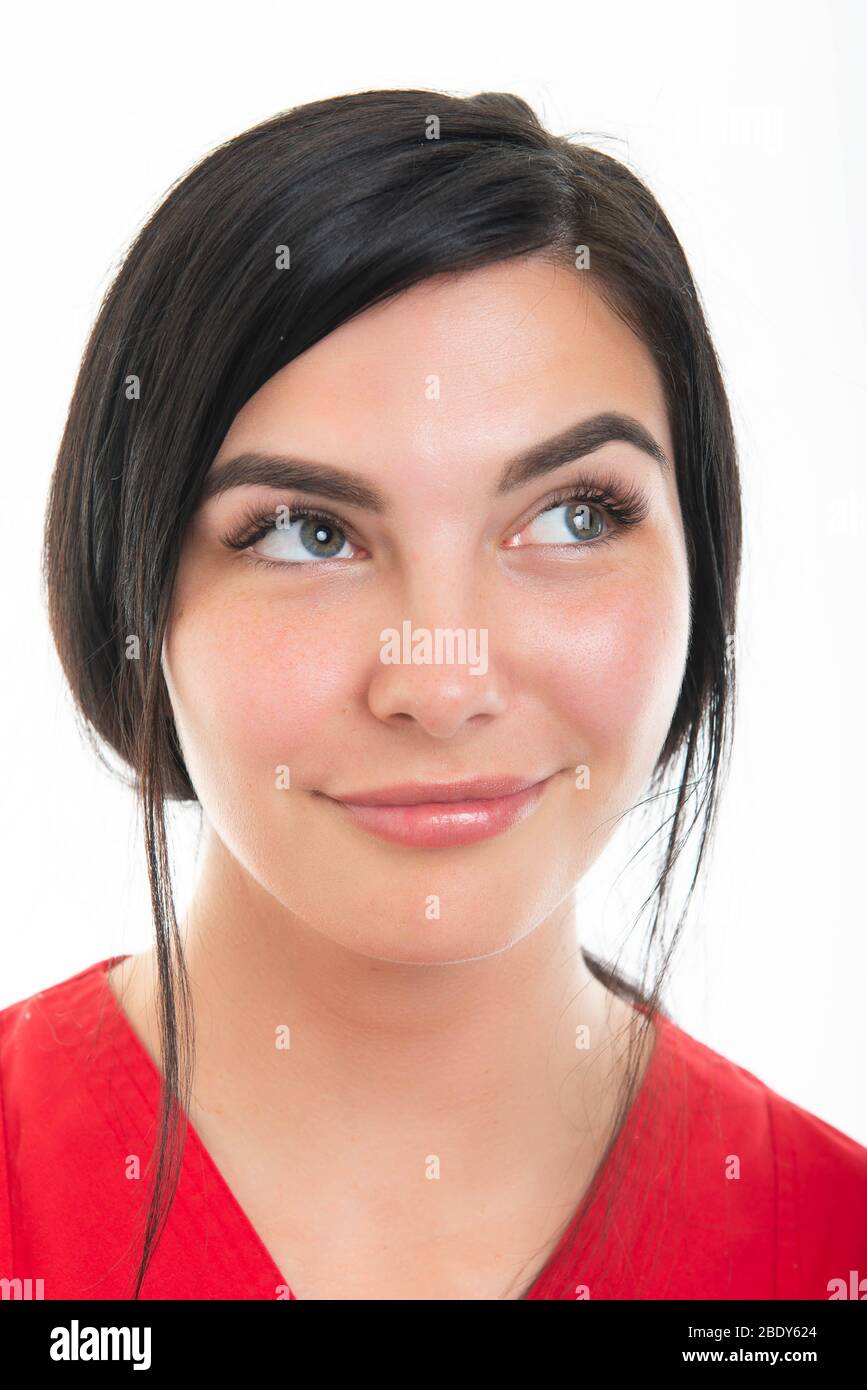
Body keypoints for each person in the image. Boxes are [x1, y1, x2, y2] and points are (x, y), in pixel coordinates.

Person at [2, 89, 865, 1302]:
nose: (444, 680)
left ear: (705, 571)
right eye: (308, 533)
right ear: (127, 589)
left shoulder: (838, 1253)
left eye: (573, 517)